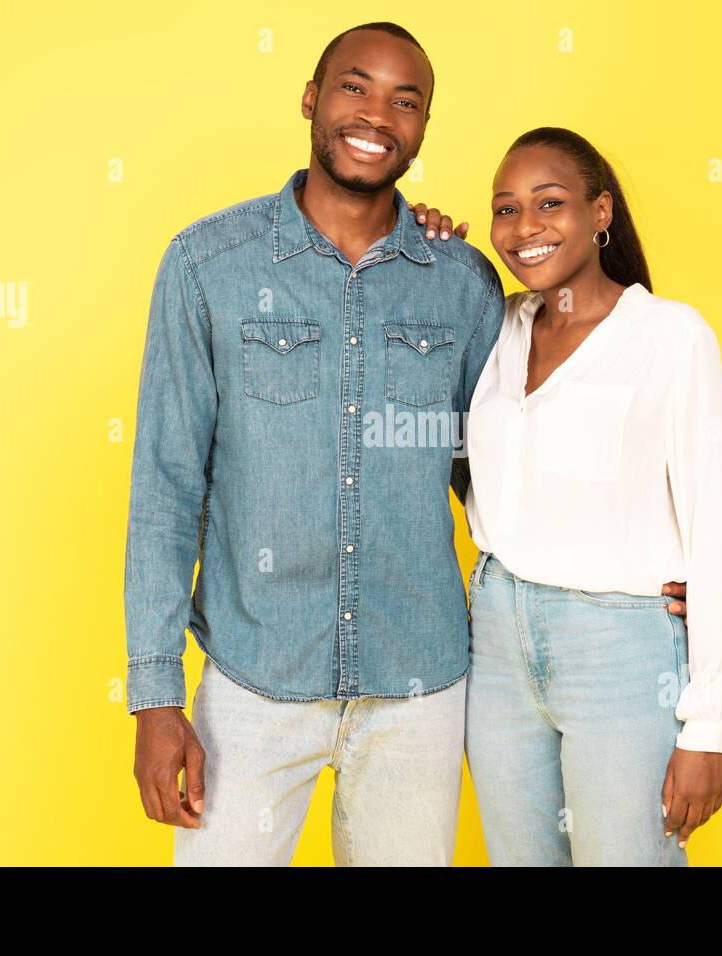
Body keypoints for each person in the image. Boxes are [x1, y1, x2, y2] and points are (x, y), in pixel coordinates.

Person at [123, 20, 508, 866]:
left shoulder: (463, 283)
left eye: (405, 100)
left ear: (421, 129)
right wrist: (154, 698)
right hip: (253, 683)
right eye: (355, 86)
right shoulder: (206, 265)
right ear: (311, 98)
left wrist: (631, 574)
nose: (377, 113)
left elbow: (506, 481)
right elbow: (165, 486)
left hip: (419, 687)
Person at [455, 127, 722, 865]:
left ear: (601, 214)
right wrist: (428, 239)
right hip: (496, 638)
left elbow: (719, 526)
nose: (524, 227)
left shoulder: (670, 338)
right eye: (506, 209)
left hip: (620, 649)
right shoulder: (492, 327)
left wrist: (710, 726)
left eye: (549, 203)